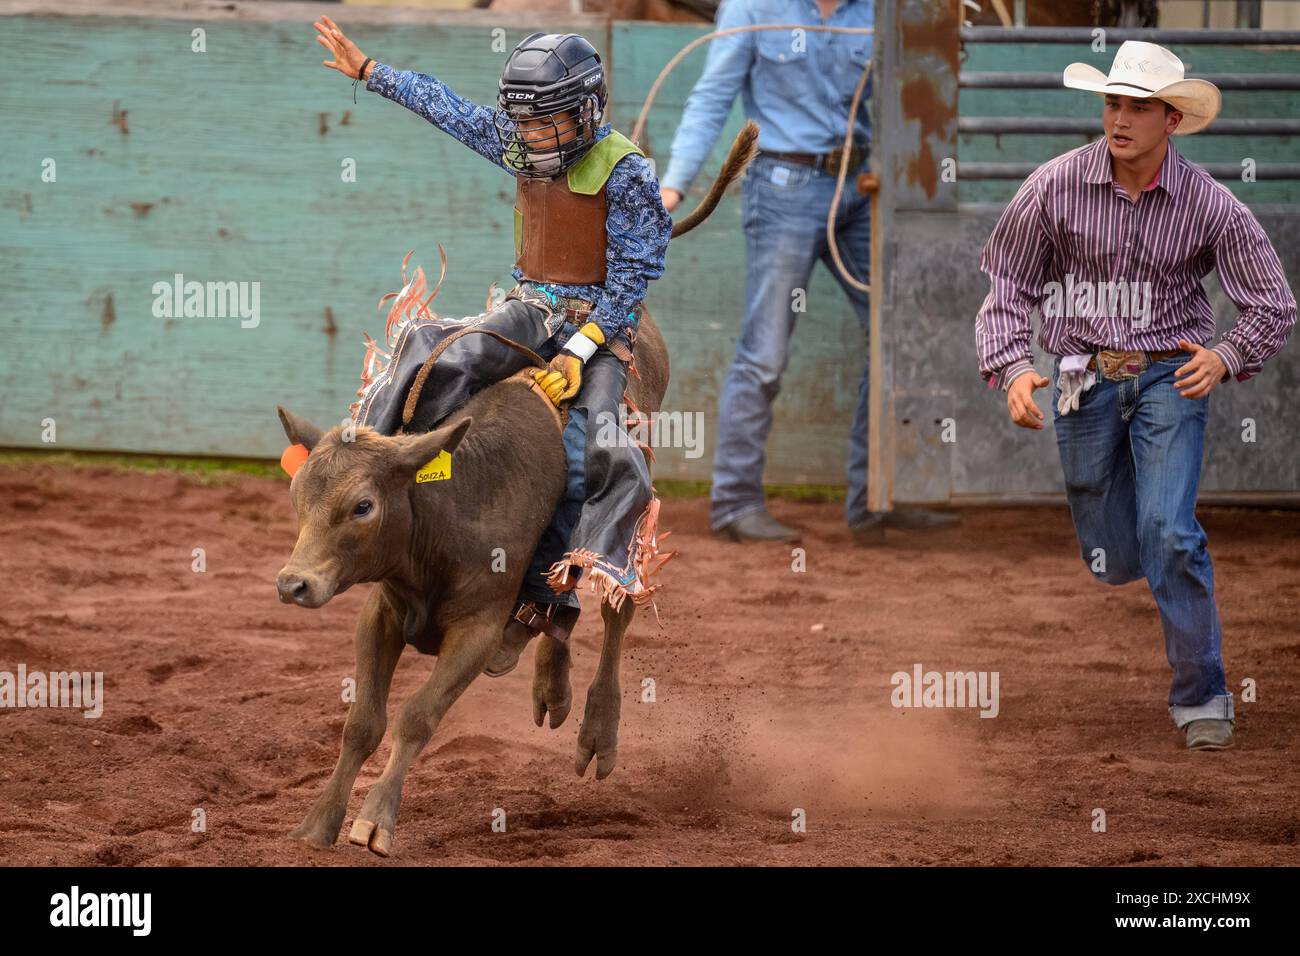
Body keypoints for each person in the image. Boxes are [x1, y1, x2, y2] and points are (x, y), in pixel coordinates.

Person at [313, 18, 673, 675]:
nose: (531, 136)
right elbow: (444, 106)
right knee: (430, 346)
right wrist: (371, 73)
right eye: (524, 123)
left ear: (587, 111)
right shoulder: (516, 141)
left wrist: (580, 351)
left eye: (547, 124)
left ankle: (542, 598)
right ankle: (370, 462)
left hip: (602, 325)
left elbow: (634, 280)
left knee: (593, 452)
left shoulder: (628, 174)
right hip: (532, 305)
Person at [975, 41, 1296, 751]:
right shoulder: (1053, 186)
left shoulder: (1212, 204)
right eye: (1112, 103)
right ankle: (1142, 556)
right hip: (1081, 378)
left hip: (1169, 375)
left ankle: (1203, 696)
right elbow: (1010, 286)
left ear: (1172, 120)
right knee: (1115, 554)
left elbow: (1273, 306)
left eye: (1138, 107)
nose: (1119, 119)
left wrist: (1224, 355)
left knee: (1171, 533)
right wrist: (1010, 368)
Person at [659, 0, 956, 544]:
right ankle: (735, 502)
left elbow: (912, 90)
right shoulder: (752, 7)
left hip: (862, 186)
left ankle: (876, 498)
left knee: (894, 335)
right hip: (782, 187)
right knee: (766, 350)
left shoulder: (881, 10)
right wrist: (674, 187)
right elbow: (711, 97)